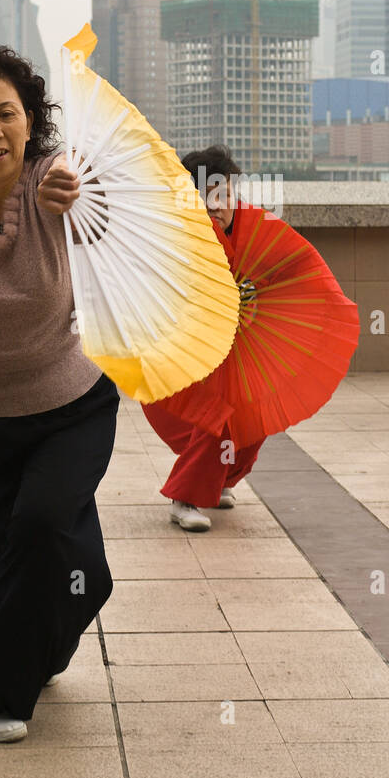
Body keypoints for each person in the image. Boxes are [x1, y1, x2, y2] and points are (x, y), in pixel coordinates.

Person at [0, 46, 118, 742]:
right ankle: (40, 640)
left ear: (31, 119)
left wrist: (77, 189)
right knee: (14, 574)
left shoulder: (58, 181)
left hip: (69, 403)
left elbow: (104, 202)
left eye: (7, 113)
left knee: (39, 529)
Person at [142, 145, 264, 532]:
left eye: (224, 195)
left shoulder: (254, 239)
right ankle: (186, 496)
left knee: (258, 413)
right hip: (174, 366)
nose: (217, 205)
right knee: (220, 419)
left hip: (226, 360)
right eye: (206, 195)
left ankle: (220, 479)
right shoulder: (173, 239)